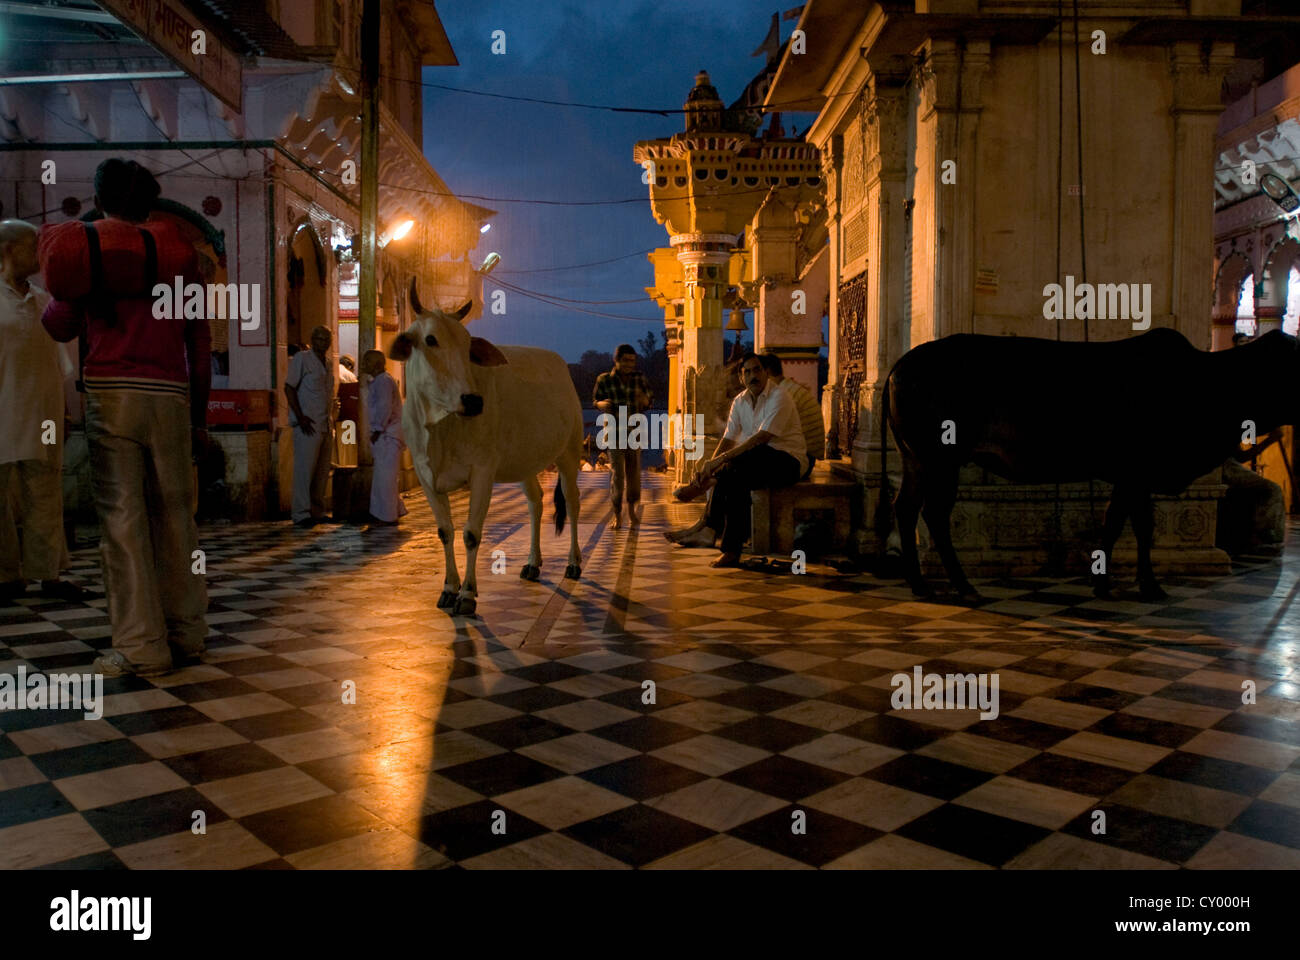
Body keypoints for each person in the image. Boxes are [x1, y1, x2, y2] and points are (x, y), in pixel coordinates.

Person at [41, 159, 210, 676]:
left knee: (124, 521)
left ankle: (141, 646)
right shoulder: (180, 252)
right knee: (178, 517)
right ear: (151, 199)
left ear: (101, 197)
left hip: (113, 394)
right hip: (172, 396)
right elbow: (198, 340)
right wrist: (198, 418)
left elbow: (58, 325)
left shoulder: (91, 250)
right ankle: (186, 634)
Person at [0, 219, 84, 602]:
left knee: (45, 492)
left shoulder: (42, 300)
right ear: (7, 250)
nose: (40, 253)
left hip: (44, 413)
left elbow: (59, 363)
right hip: (3, 411)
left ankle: (48, 574)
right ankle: (6, 576)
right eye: (33, 246)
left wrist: (65, 413)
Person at [675, 351, 805, 567]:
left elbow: (760, 439)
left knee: (741, 461)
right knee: (735, 478)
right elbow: (728, 438)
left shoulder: (779, 396)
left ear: (765, 373)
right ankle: (728, 548)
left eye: (757, 370)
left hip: (788, 462)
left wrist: (716, 463)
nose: (753, 375)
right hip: (755, 463)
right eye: (747, 372)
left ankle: (710, 528)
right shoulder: (740, 401)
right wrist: (709, 465)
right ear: (741, 377)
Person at [285, 324, 339, 527]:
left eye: (326, 339)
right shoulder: (302, 359)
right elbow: (289, 388)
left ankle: (317, 511)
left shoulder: (328, 363)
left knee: (322, 471)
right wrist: (300, 417)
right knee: (304, 470)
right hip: (307, 424)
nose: (322, 343)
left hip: (326, 424)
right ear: (312, 339)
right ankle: (301, 513)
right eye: (319, 338)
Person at [592, 343, 652, 528]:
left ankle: (632, 511)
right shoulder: (604, 380)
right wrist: (602, 405)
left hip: (634, 433)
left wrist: (645, 400)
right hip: (614, 433)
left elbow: (649, 400)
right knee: (617, 475)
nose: (629, 365)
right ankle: (617, 514)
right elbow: (595, 401)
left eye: (632, 361)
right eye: (625, 361)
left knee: (634, 474)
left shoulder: (639, 378)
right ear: (616, 360)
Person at [758, 352, 824, 478]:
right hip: (804, 456)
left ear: (766, 373)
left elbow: (764, 435)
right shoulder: (787, 388)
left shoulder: (784, 395)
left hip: (800, 460)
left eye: (757, 371)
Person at [361, 349, 406, 526]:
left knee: (385, 477)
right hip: (386, 435)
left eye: (367, 361)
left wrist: (377, 430)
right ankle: (392, 510)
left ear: (377, 364)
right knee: (384, 476)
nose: (363, 364)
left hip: (388, 435)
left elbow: (384, 408)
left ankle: (386, 516)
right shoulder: (379, 381)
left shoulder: (383, 382)